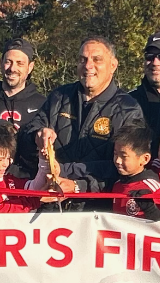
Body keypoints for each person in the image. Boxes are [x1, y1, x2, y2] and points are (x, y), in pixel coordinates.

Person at [33, 36, 145, 195]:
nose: (88, 66)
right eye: (82, 60)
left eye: (97, 59)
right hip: (51, 200)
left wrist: (78, 185)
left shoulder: (128, 109)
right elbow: (30, 133)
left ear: (113, 65)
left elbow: (127, 166)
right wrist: (37, 136)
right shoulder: (58, 97)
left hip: (96, 209)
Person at [0, 38, 46, 178]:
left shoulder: (43, 104)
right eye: (8, 61)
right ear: (1, 63)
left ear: (30, 67)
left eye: (20, 63)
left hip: (29, 181)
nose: (12, 68)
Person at [110, 125, 160, 222]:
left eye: (124, 156)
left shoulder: (151, 188)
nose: (117, 160)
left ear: (144, 159)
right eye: (115, 154)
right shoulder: (117, 184)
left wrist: (150, 209)